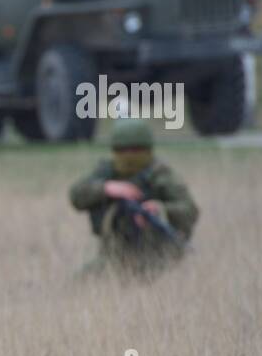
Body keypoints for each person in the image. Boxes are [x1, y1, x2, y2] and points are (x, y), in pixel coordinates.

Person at [68, 117, 198, 276]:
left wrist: (160, 209)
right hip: (114, 257)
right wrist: (106, 188)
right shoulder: (107, 172)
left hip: (157, 257)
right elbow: (76, 195)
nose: (129, 157)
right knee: (80, 283)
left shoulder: (160, 175)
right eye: (123, 151)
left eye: (136, 151)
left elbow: (189, 209)